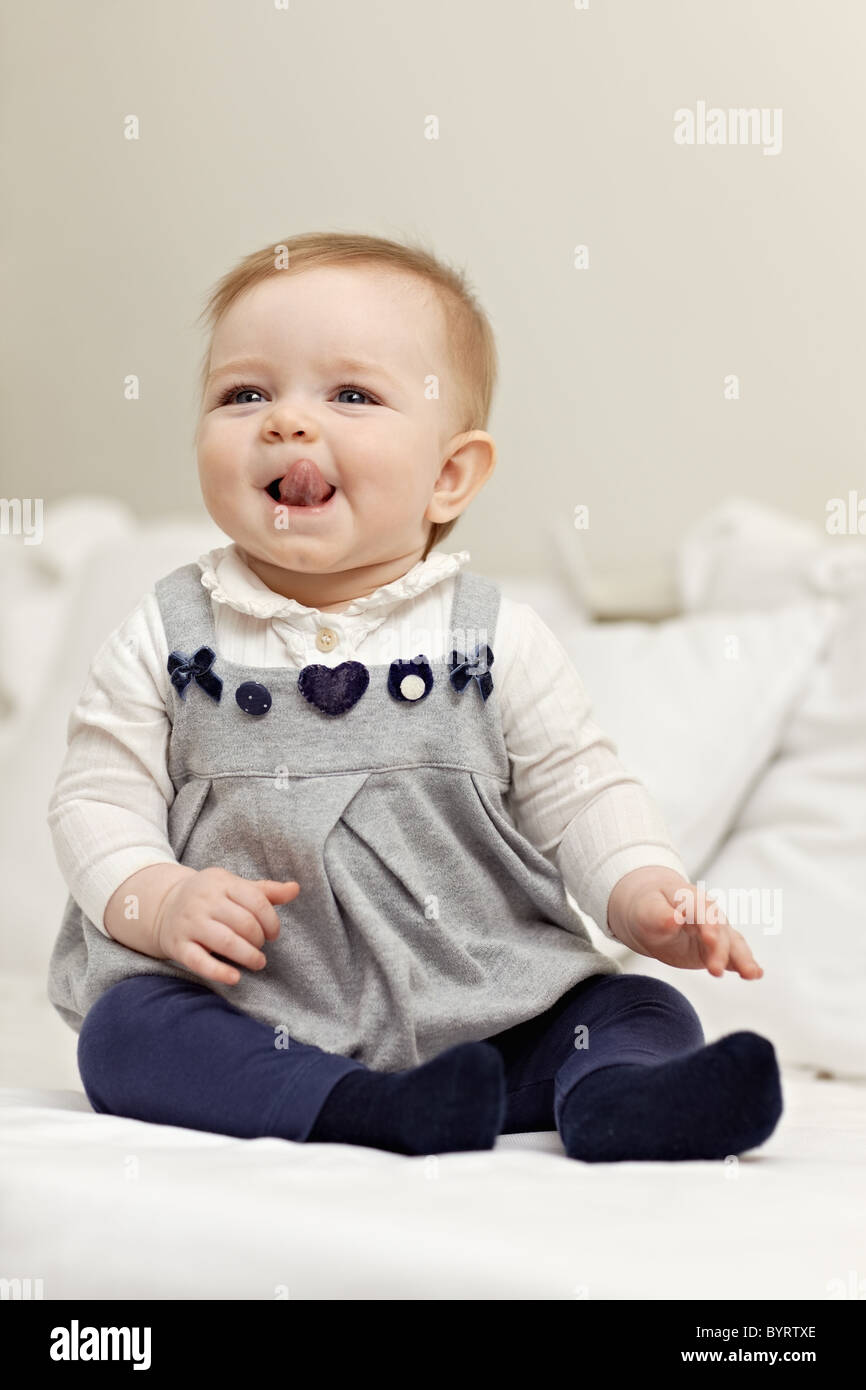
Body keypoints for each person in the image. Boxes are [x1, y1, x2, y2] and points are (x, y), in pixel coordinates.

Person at [47, 231, 782, 1161]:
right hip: (251, 1006)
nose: (287, 422)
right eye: (245, 394)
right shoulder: (167, 631)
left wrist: (640, 888)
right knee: (123, 1034)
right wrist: (156, 897)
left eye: (349, 395)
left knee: (636, 1003)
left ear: (448, 476)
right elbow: (93, 799)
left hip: (481, 1009)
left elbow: (581, 788)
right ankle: (366, 1108)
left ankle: (619, 1103)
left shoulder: (491, 638)